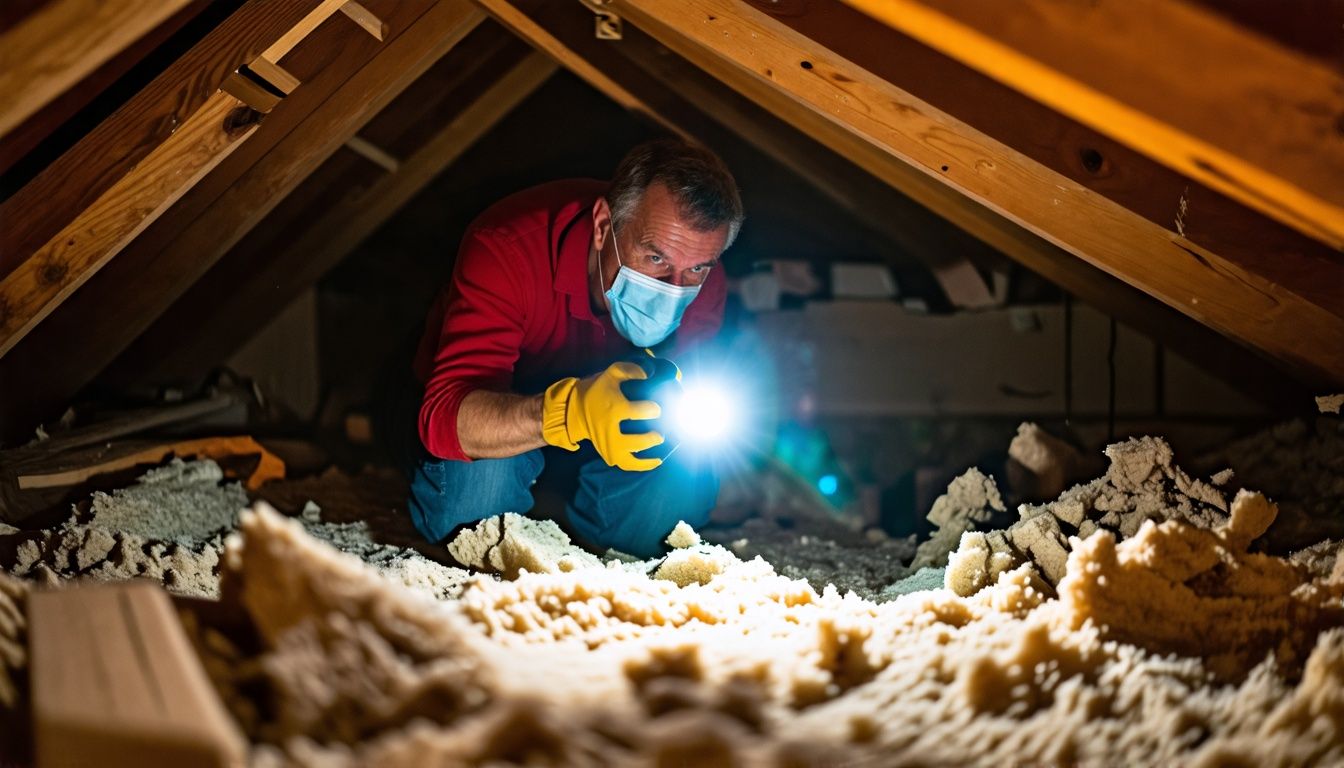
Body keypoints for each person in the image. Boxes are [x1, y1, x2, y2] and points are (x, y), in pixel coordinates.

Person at [408, 139, 744, 557]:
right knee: (473, 523)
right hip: (501, 408)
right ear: (604, 226)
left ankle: (587, 527)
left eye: (695, 268)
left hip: (608, 438)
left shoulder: (707, 277)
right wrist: (572, 411)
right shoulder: (507, 248)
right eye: (655, 258)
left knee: (669, 505)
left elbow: (686, 399)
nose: (673, 288)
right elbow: (446, 419)